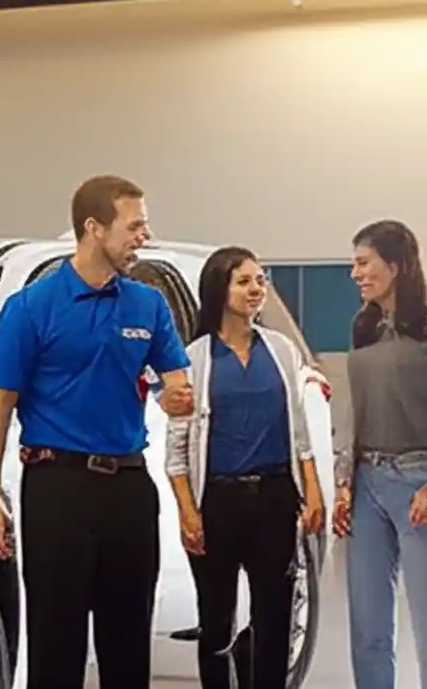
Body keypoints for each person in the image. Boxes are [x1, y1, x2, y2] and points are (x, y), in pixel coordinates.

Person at [0, 174, 194, 688]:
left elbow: (176, 380)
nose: (145, 235)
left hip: (129, 490)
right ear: (94, 228)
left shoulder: (147, 305)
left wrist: (175, 396)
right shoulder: (30, 308)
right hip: (58, 489)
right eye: (135, 225)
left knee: (128, 644)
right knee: (56, 646)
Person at [163, 246, 325, 689]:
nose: (256, 289)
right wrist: (187, 512)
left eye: (260, 280)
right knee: (216, 621)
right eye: (244, 281)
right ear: (220, 289)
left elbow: (300, 434)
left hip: (274, 496)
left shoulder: (282, 350)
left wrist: (311, 491)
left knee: (275, 615)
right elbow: (176, 450)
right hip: (217, 501)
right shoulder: (194, 358)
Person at [331, 219, 427, 689]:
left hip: (419, 484)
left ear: (395, 265)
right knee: (368, 627)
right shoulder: (364, 326)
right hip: (367, 484)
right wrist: (345, 481)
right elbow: (357, 410)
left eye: (363, 262)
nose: (355, 273)